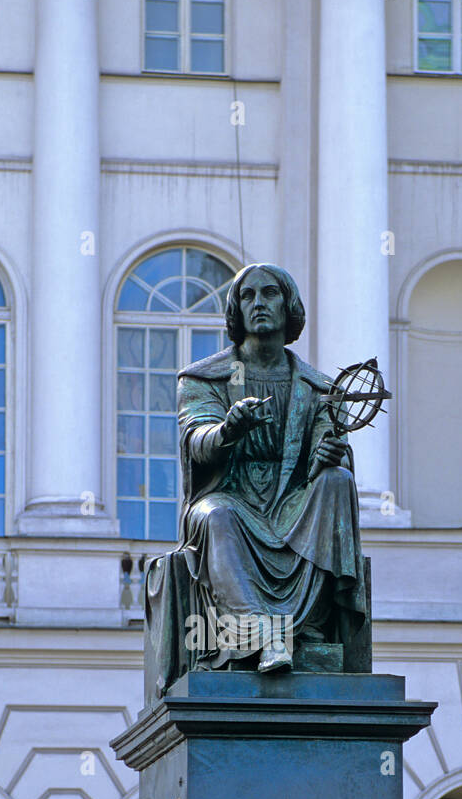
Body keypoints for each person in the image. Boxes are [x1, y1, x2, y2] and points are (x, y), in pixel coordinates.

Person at [144, 262, 368, 696]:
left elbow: (330, 439)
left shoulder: (318, 387)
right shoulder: (201, 378)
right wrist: (228, 430)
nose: (259, 304)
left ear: (289, 307)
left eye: (270, 294)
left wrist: (332, 453)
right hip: (230, 499)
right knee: (217, 516)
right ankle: (262, 635)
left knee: (338, 481)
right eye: (248, 296)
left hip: (291, 505)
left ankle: (313, 628)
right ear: (236, 310)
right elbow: (196, 439)